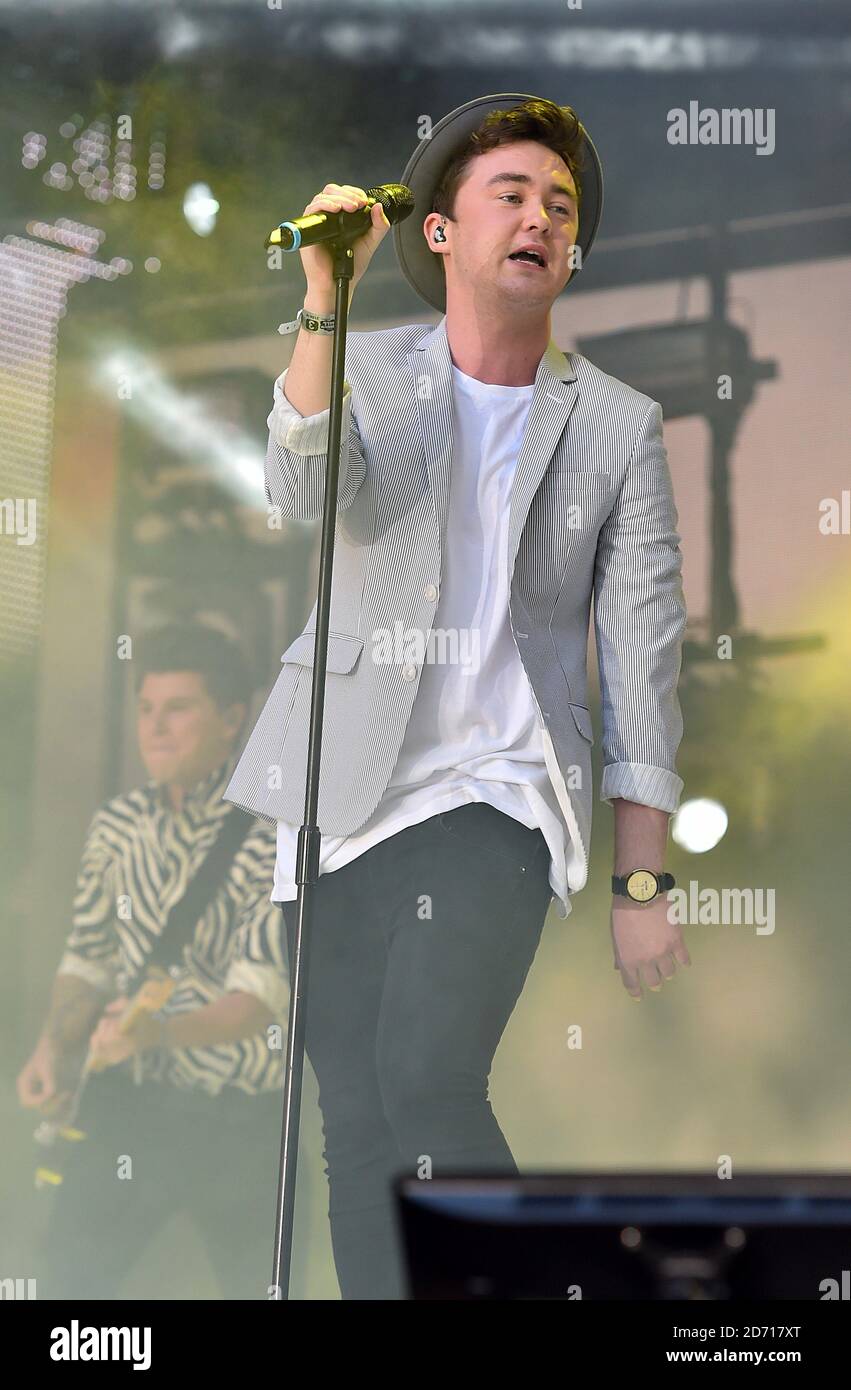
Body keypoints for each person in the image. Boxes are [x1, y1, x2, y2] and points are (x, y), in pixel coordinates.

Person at [224, 94, 691, 1300]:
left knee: (428, 1081)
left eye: (561, 206)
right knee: (357, 1128)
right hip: (337, 789)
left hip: (495, 789)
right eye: (512, 194)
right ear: (437, 231)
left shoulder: (616, 427)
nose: (541, 217)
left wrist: (641, 881)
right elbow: (295, 486)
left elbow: (641, 663)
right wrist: (325, 296)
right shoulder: (366, 369)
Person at [17, 622, 292, 1300]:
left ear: (232, 719)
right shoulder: (115, 827)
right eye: (145, 708)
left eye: (177, 709)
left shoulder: (274, 833)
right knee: (64, 1288)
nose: (154, 728)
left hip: (238, 1123)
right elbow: (87, 959)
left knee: (265, 1291)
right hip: (128, 1103)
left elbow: (259, 998)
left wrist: (161, 1031)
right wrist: (53, 1048)